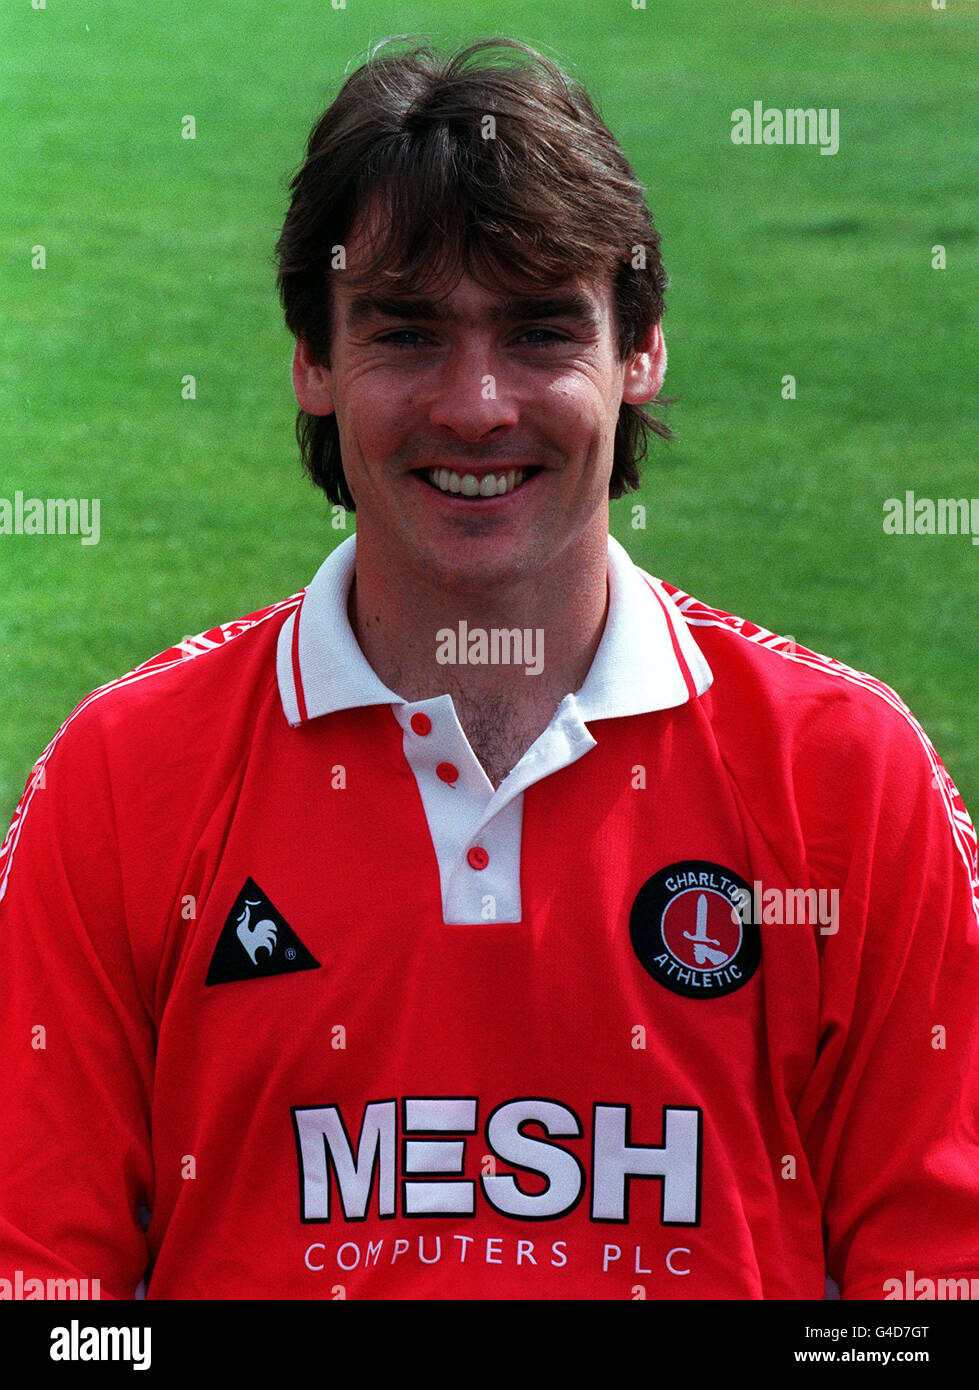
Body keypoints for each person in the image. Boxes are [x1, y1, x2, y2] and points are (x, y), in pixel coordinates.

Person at [1, 37, 977, 1303]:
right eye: (406, 333)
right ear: (313, 363)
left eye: (537, 332)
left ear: (641, 356)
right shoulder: (122, 781)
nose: (474, 404)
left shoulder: (847, 779)